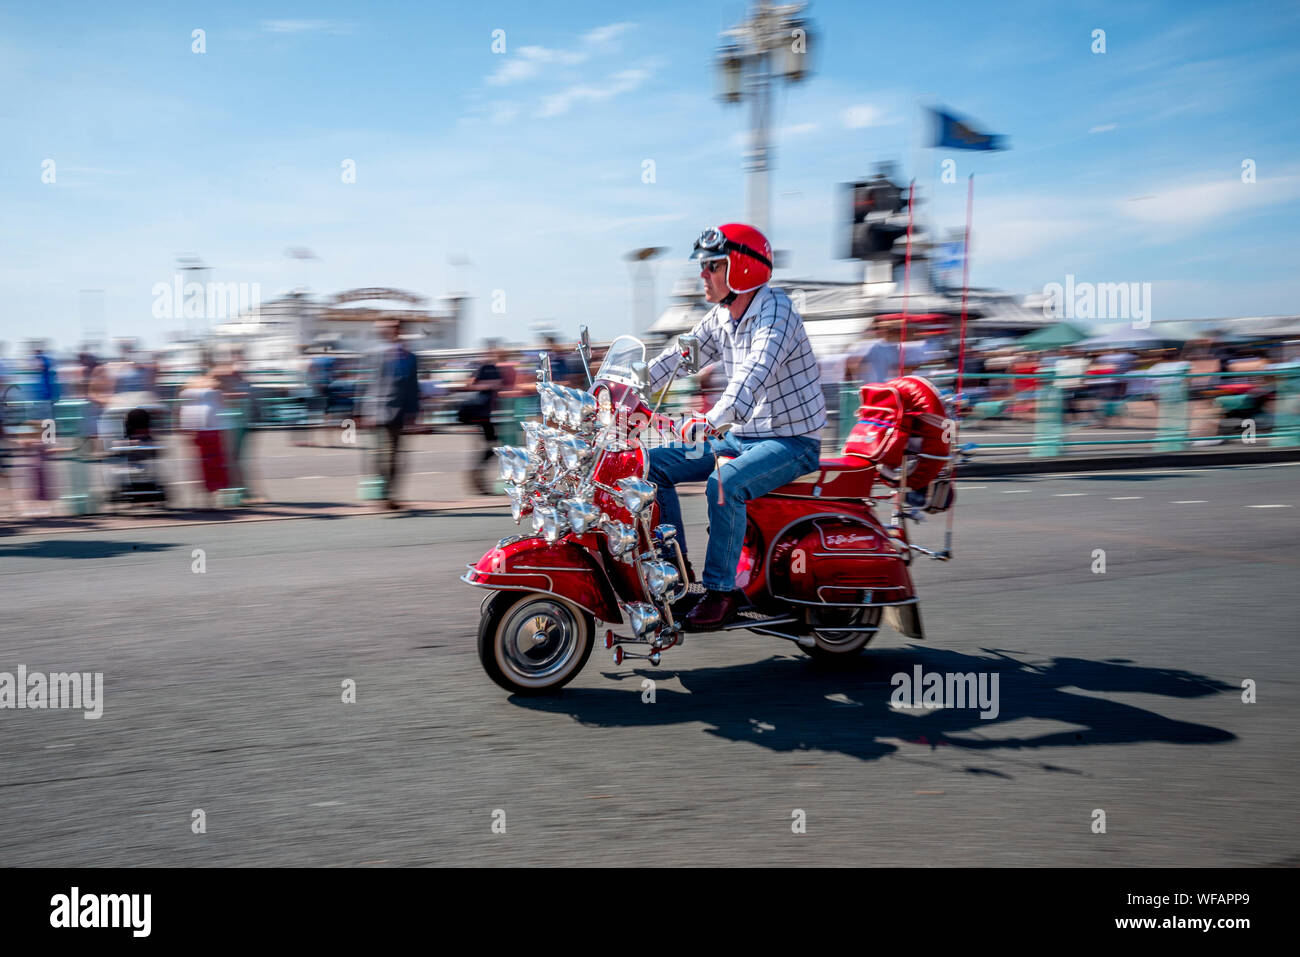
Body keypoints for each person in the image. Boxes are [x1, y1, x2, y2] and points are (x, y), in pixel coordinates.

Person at [645, 223, 826, 632]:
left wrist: (709, 421)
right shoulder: (723, 316)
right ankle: (673, 577)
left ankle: (721, 593)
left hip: (790, 439)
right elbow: (682, 354)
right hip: (743, 435)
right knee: (652, 465)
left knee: (723, 483)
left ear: (741, 268)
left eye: (711, 265)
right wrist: (624, 385)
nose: (702, 275)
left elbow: (754, 373)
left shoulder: (775, 311)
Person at [364, 319, 420, 510]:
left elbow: (413, 387)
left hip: (400, 413)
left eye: (397, 328)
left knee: (395, 456)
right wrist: (366, 411)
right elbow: (368, 384)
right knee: (379, 456)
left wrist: (414, 413)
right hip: (378, 411)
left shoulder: (411, 357)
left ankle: (391, 495)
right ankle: (384, 492)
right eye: (391, 328)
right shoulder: (376, 354)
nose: (394, 331)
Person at [460, 345, 507, 495]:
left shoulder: (491, 368)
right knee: (492, 445)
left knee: (492, 445)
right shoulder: (485, 368)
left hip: (486, 413)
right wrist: (490, 386)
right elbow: (470, 384)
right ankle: (477, 474)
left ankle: (478, 475)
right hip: (481, 413)